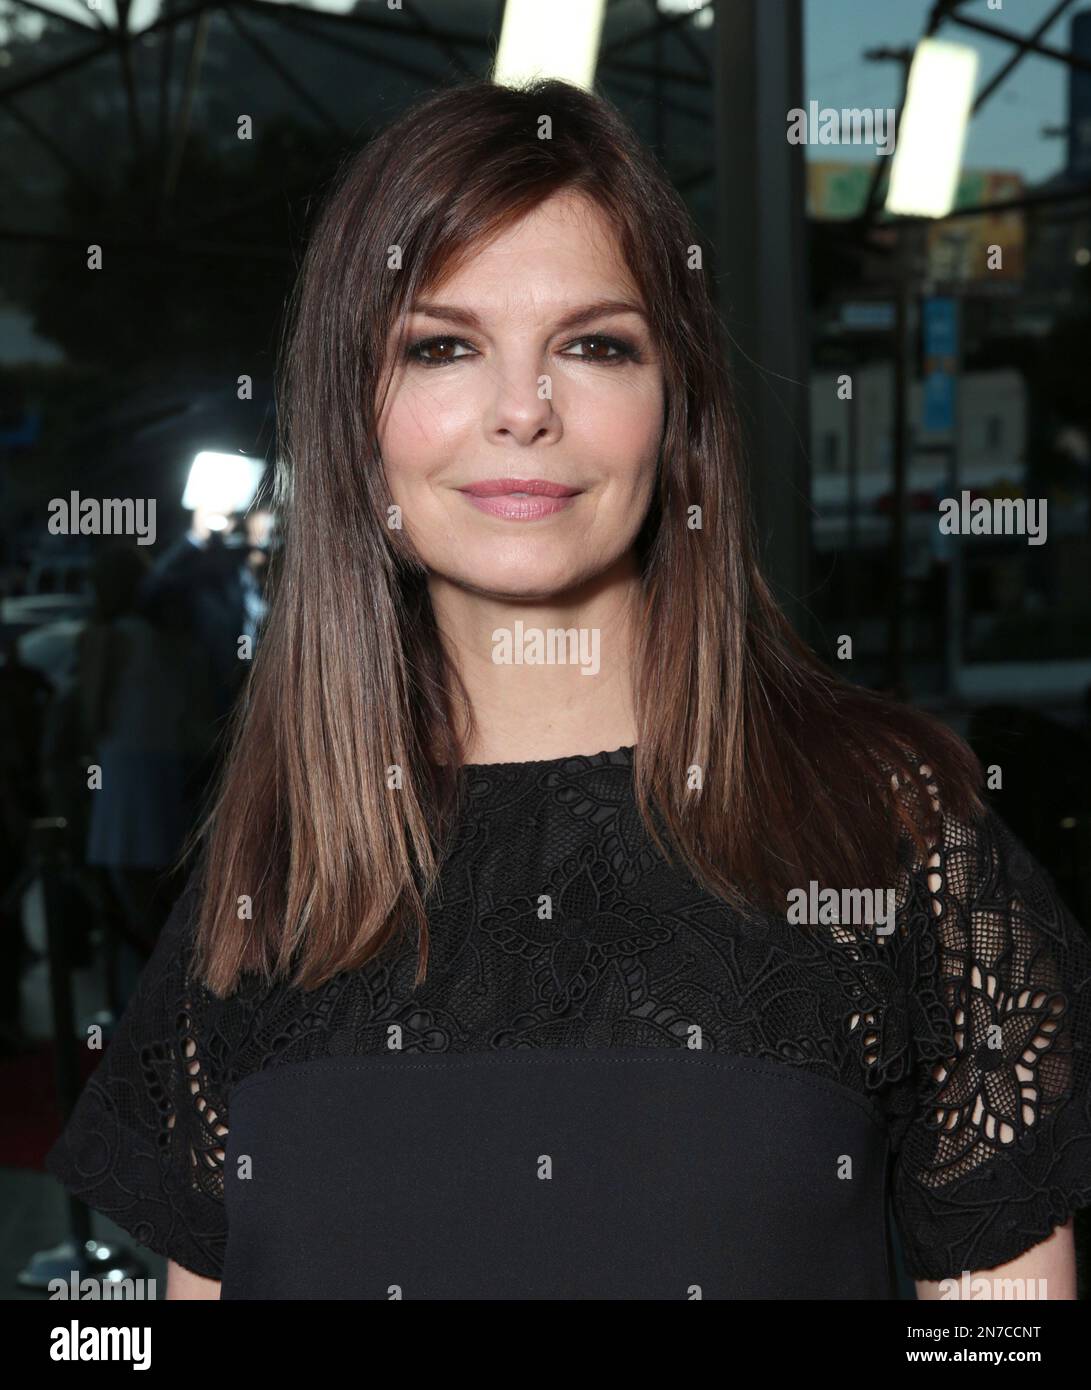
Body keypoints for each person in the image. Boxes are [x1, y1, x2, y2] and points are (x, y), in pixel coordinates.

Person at [45, 78, 1091, 1302]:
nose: (520, 412)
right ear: (355, 419)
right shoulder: (274, 867)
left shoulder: (887, 826)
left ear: (674, 409)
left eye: (593, 345)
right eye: (442, 346)